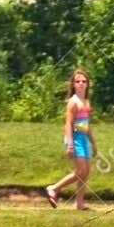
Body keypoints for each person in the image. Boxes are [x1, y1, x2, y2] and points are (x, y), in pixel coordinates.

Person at [45, 69, 94, 210]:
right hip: (75, 138)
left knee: (86, 172)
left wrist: (93, 143)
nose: (81, 84)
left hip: (83, 137)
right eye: (78, 81)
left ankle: (79, 203)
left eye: (84, 81)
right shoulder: (73, 103)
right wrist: (70, 144)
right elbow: (68, 124)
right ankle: (54, 188)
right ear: (73, 84)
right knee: (81, 171)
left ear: (87, 84)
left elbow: (87, 125)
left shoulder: (86, 102)